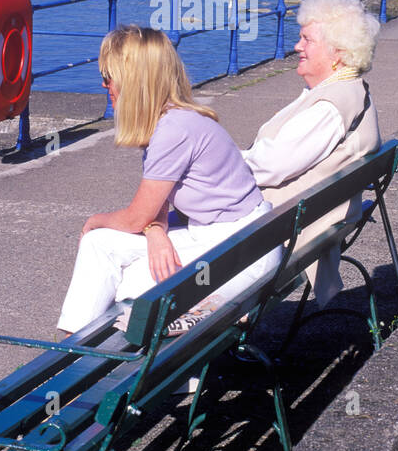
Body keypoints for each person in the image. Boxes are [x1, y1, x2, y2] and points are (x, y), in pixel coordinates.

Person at [56, 25, 279, 336]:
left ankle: (73, 362)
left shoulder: (173, 131)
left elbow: (137, 216)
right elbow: (152, 211)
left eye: (109, 77)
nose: (105, 85)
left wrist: (96, 219)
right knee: (101, 250)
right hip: (233, 240)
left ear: (132, 81)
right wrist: (156, 233)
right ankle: (73, 353)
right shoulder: (177, 121)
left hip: (238, 255)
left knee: (121, 272)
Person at [242, 0, 382, 307]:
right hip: (302, 225)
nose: (297, 47)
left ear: (338, 53)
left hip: (275, 233)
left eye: (307, 39)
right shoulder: (343, 91)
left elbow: (269, 166)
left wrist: (213, 161)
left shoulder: (330, 107)